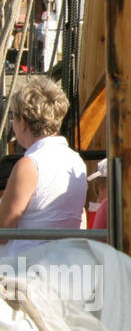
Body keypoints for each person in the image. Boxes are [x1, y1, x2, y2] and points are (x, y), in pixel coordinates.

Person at [0, 76, 86, 259]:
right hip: (64, 264)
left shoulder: (29, 166)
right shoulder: (76, 161)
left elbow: (3, 231)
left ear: (22, 121)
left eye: (13, 119)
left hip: (22, 270)